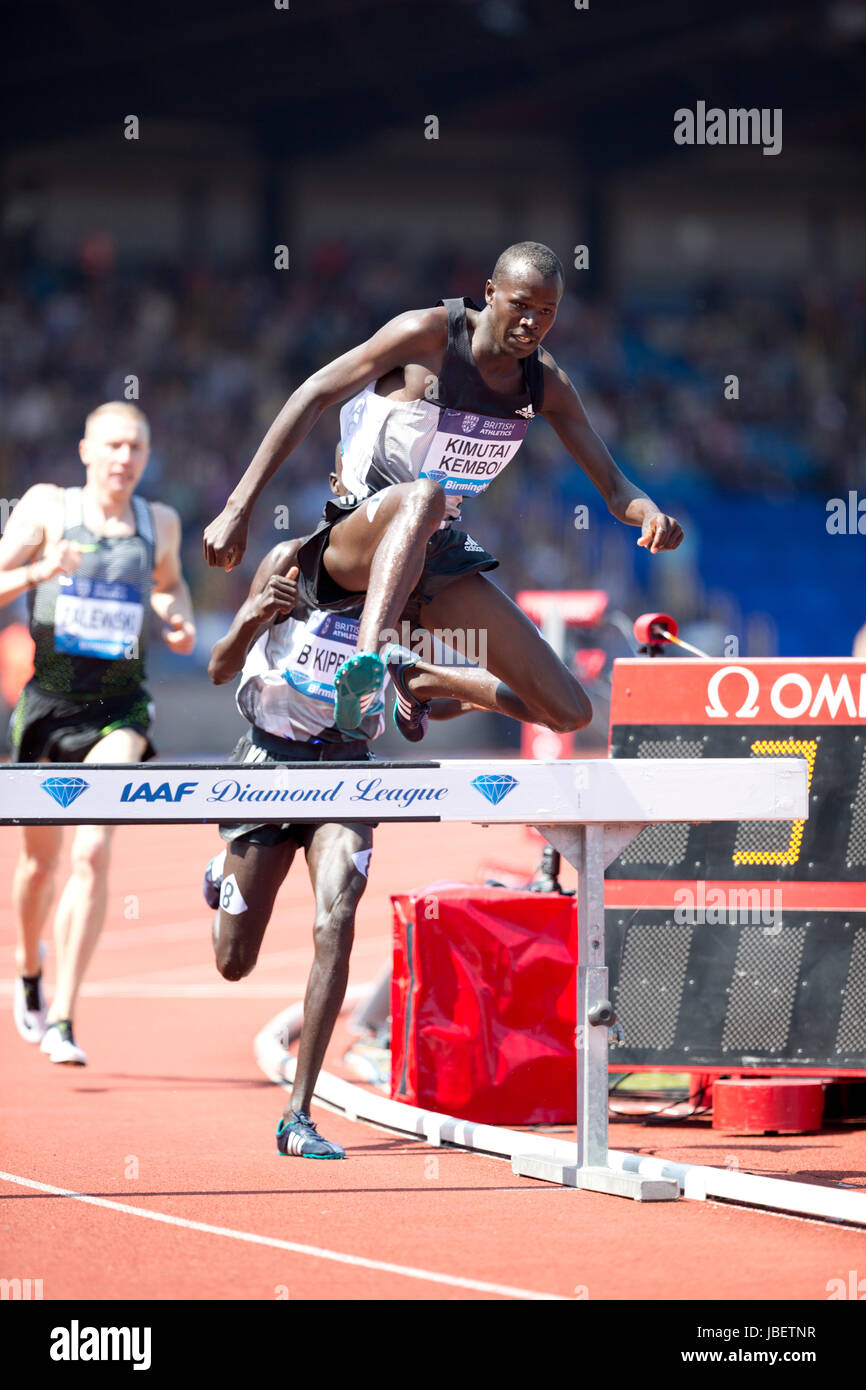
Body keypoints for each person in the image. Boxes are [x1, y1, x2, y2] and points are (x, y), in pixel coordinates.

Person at [203, 241, 683, 736]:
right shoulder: (427, 334)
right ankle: (365, 668)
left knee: (568, 711)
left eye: (547, 312)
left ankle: (426, 681)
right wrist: (238, 507)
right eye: (520, 305)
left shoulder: (545, 385)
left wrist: (648, 513)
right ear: (490, 293)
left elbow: (614, 485)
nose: (531, 324)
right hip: (354, 537)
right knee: (426, 494)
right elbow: (314, 393)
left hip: (432, 552)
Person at [204, 456, 468, 1157]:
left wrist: (416, 702)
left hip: (345, 771)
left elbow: (417, 716)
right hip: (266, 763)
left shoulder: (409, 597)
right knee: (234, 961)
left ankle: (299, 1116)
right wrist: (254, 617)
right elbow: (220, 667)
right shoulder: (290, 561)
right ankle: (221, 877)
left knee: (337, 916)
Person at [0, 402, 195, 1064]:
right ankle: (29, 974)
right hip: (48, 708)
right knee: (38, 865)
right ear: (86, 451)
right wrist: (36, 571)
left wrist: (176, 618)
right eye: (112, 446)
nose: (124, 459)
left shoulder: (158, 521)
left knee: (90, 851)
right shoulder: (46, 508)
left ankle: (62, 1016)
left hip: (119, 710)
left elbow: (171, 586)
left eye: (135, 448)